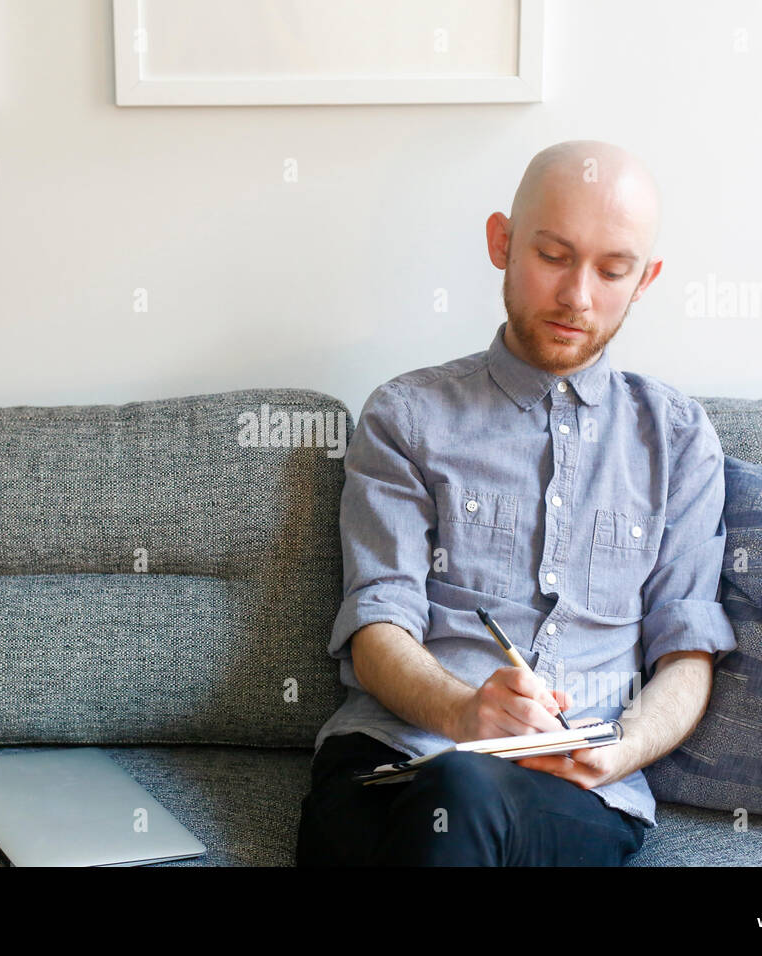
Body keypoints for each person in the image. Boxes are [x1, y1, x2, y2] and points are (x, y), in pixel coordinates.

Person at [297, 140, 738, 866]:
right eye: (554, 256)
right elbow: (378, 624)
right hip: (391, 768)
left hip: (571, 799)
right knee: (459, 787)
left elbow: (686, 654)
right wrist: (464, 712)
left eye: (613, 270)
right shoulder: (407, 416)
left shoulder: (679, 439)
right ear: (502, 242)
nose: (578, 296)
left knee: (471, 796)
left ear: (645, 280)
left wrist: (623, 749)